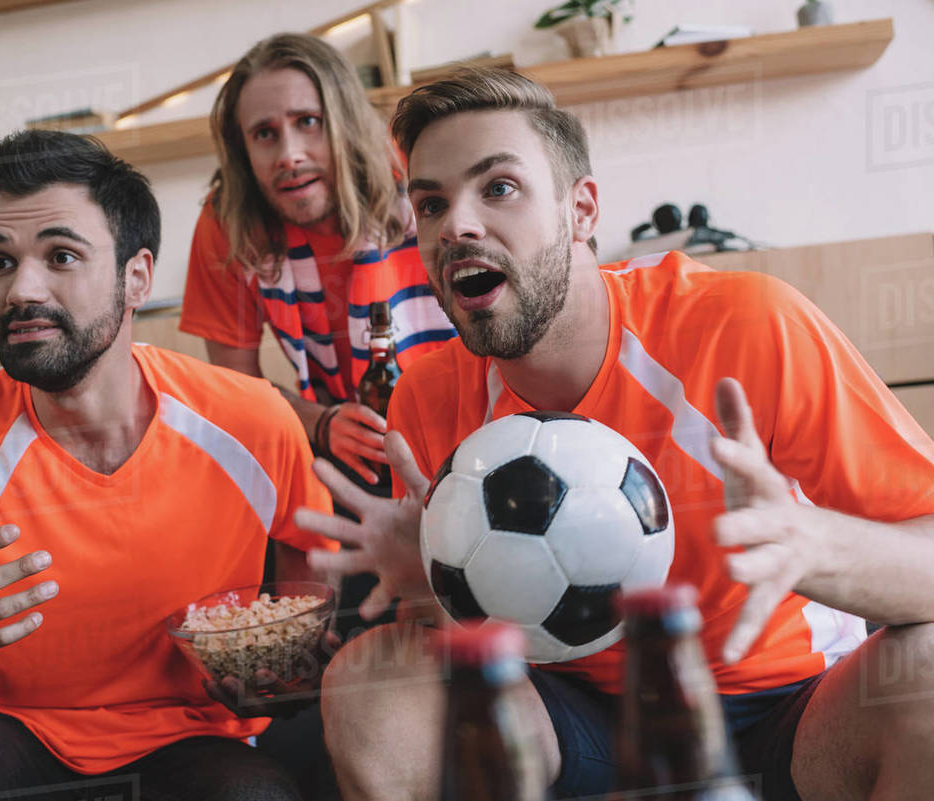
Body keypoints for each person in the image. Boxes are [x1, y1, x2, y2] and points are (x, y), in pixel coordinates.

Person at [295, 69, 934, 801]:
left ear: (582, 210)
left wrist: (816, 545)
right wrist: (431, 591)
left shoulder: (749, 326)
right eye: (432, 203)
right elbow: (459, 646)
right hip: (572, 725)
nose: (455, 226)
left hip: (790, 712)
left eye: (498, 188)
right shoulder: (428, 398)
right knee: (372, 680)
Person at [0, 130, 336, 801]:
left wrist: (278, 672)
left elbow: (308, 604)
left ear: (136, 277)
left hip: (197, 734)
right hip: (4, 728)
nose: (22, 289)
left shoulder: (253, 423)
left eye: (61, 256)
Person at [179, 32, 457, 487]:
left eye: (308, 122)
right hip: (346, 437)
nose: (289, 156)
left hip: (469, 412)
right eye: (264, 134)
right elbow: (235, 385)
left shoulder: (418, 168)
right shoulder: (227, 221)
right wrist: (321, 423)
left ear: (346, 122)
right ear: (243, 150)